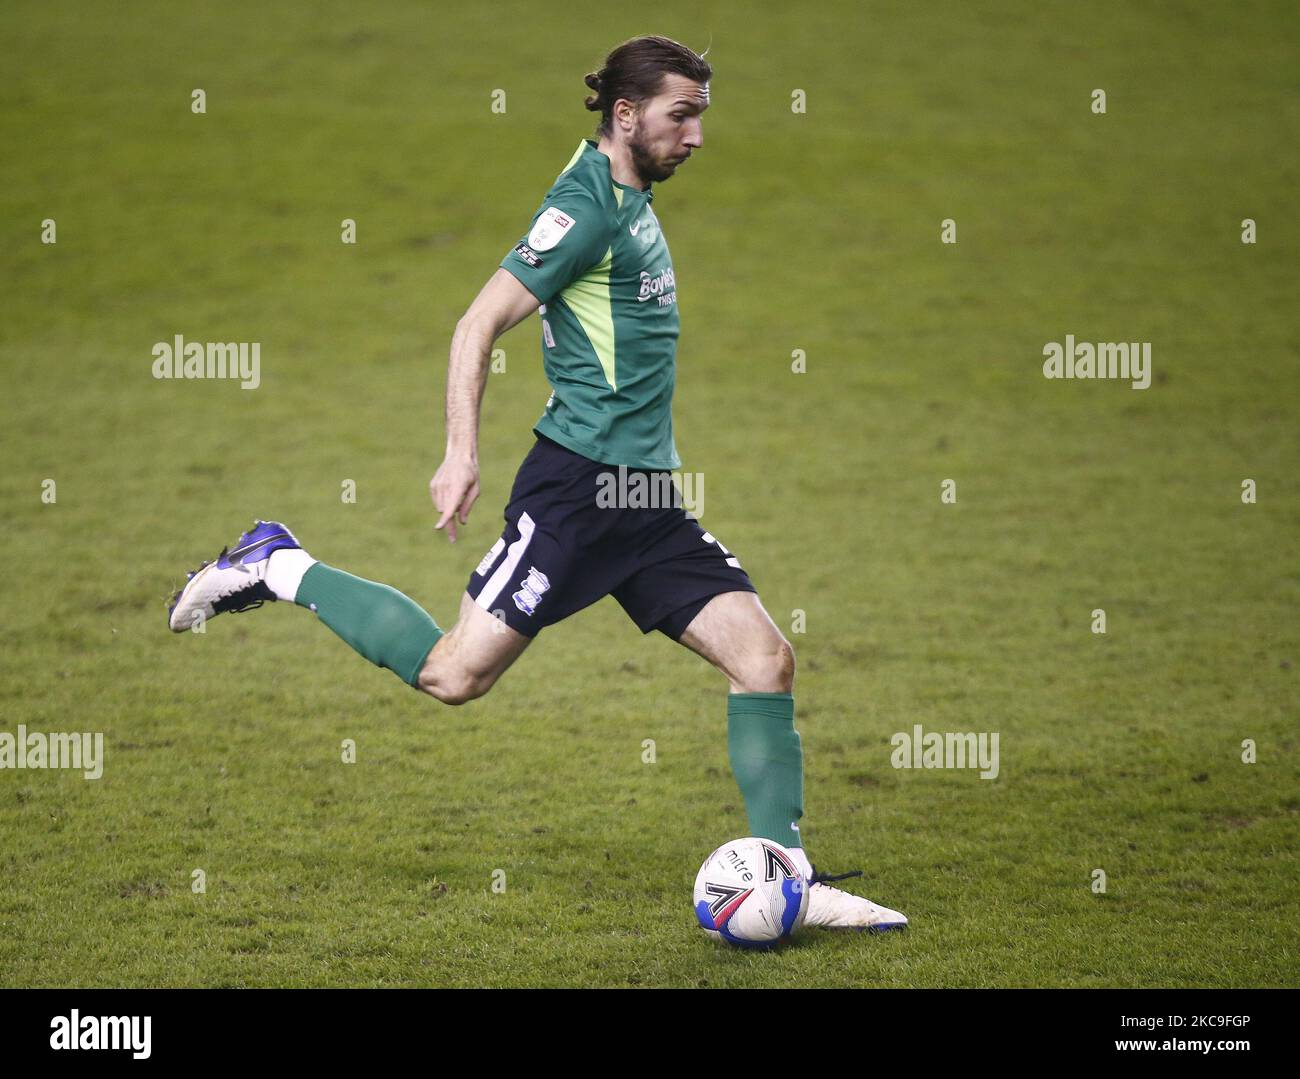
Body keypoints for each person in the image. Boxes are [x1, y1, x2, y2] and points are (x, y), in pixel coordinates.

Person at [167, 34, 906, 933]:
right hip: (576, 495)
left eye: (702, 115)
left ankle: (791, 875)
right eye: (683, 115)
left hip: (647, 502)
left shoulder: (626, 190)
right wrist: (460, 451)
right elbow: (475, 325)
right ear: (626, 117)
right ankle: (275, 562)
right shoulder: (584, 210)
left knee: (766, 659)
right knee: (453, 675)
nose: (698, 136)